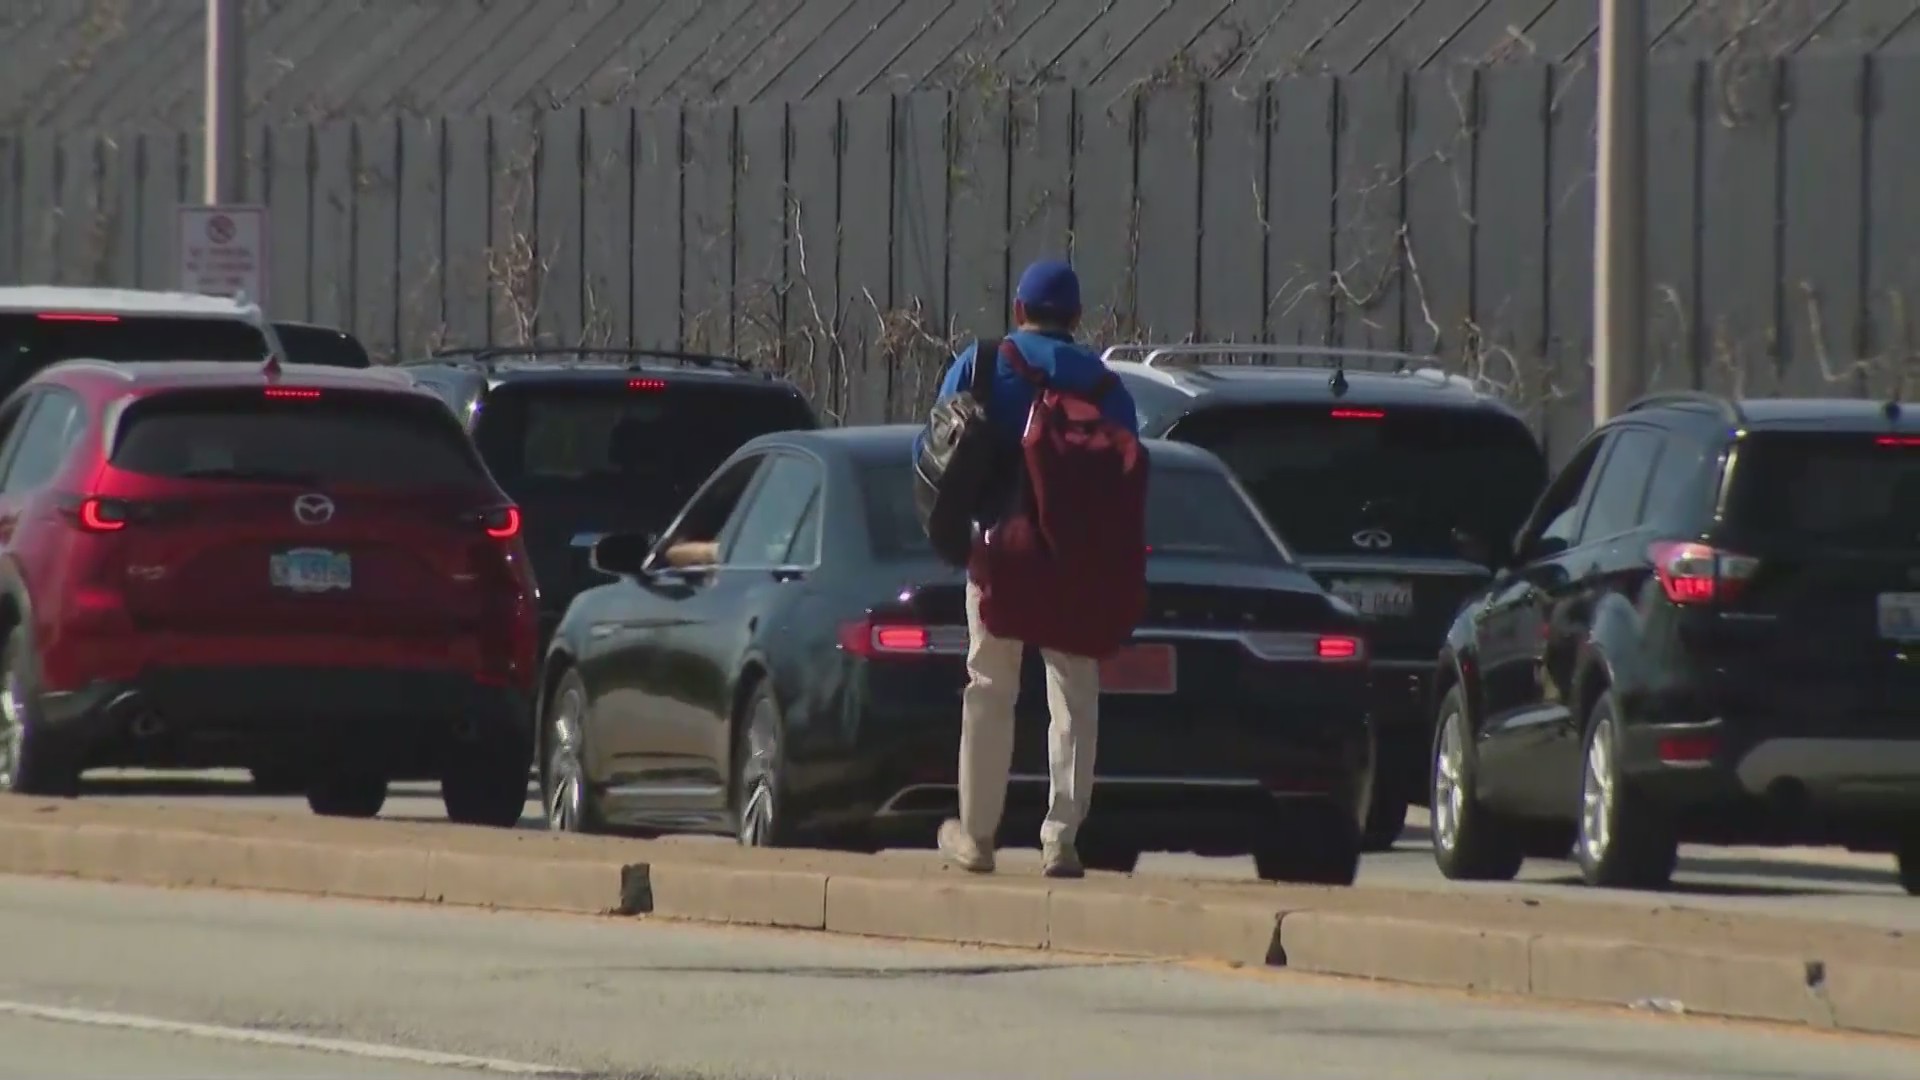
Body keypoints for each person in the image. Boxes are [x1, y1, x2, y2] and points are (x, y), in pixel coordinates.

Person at [912, 258, 1140, 879]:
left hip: (1000, 552)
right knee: (1074, 694)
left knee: (989, 686)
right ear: (1075, 318)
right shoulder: (1104, 384)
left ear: (1018, 311)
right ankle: (1061, 837)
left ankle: (978, 835)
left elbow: (930, 448)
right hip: (1075, 562)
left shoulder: (984, 363)